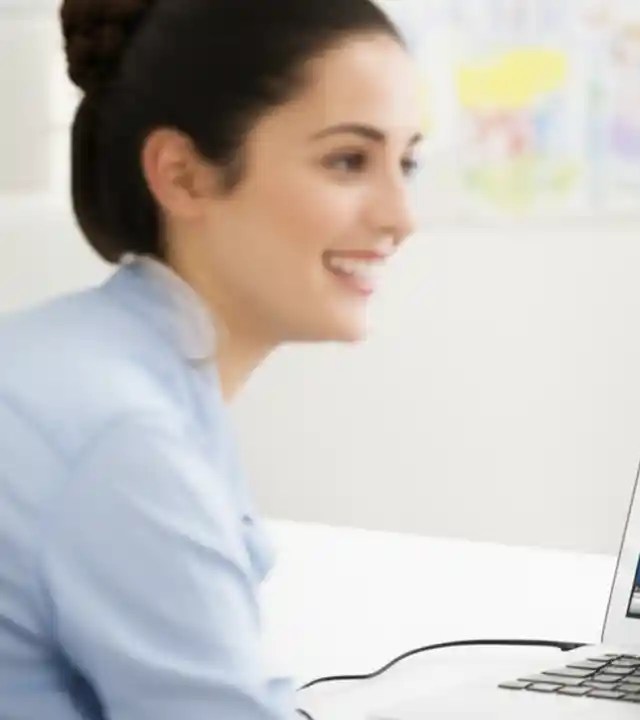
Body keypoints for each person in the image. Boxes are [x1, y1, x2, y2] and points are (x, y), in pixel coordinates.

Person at [0, 1, 420, 718]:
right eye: (348, 160)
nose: (400, 217)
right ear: (183, 175)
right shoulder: (124, 440)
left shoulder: (71, 358)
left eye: (406, 161)